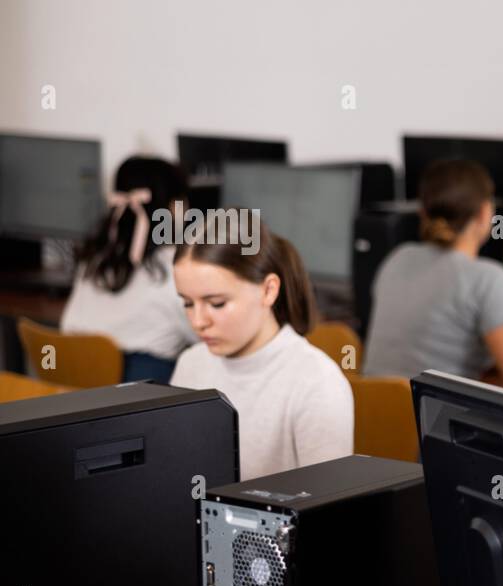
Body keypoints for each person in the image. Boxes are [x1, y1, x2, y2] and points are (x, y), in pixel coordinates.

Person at [363, 159, 503, 400]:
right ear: (486, 212)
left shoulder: (398, 258)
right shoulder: (488, 278)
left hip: (376, 425)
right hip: (429, 429)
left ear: (422, 212)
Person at [170, 221, 353, 480]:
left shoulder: (317, 383)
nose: (198, 321)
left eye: (217, 303)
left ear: (268, 290)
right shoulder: (190, 363)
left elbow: (330, 511)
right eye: (188, 303)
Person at [62, 156, 195, 381]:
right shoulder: (176, 267)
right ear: (173, 208)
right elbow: (205, 335)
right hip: (139, 393)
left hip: (77, 384)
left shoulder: (95, 258)